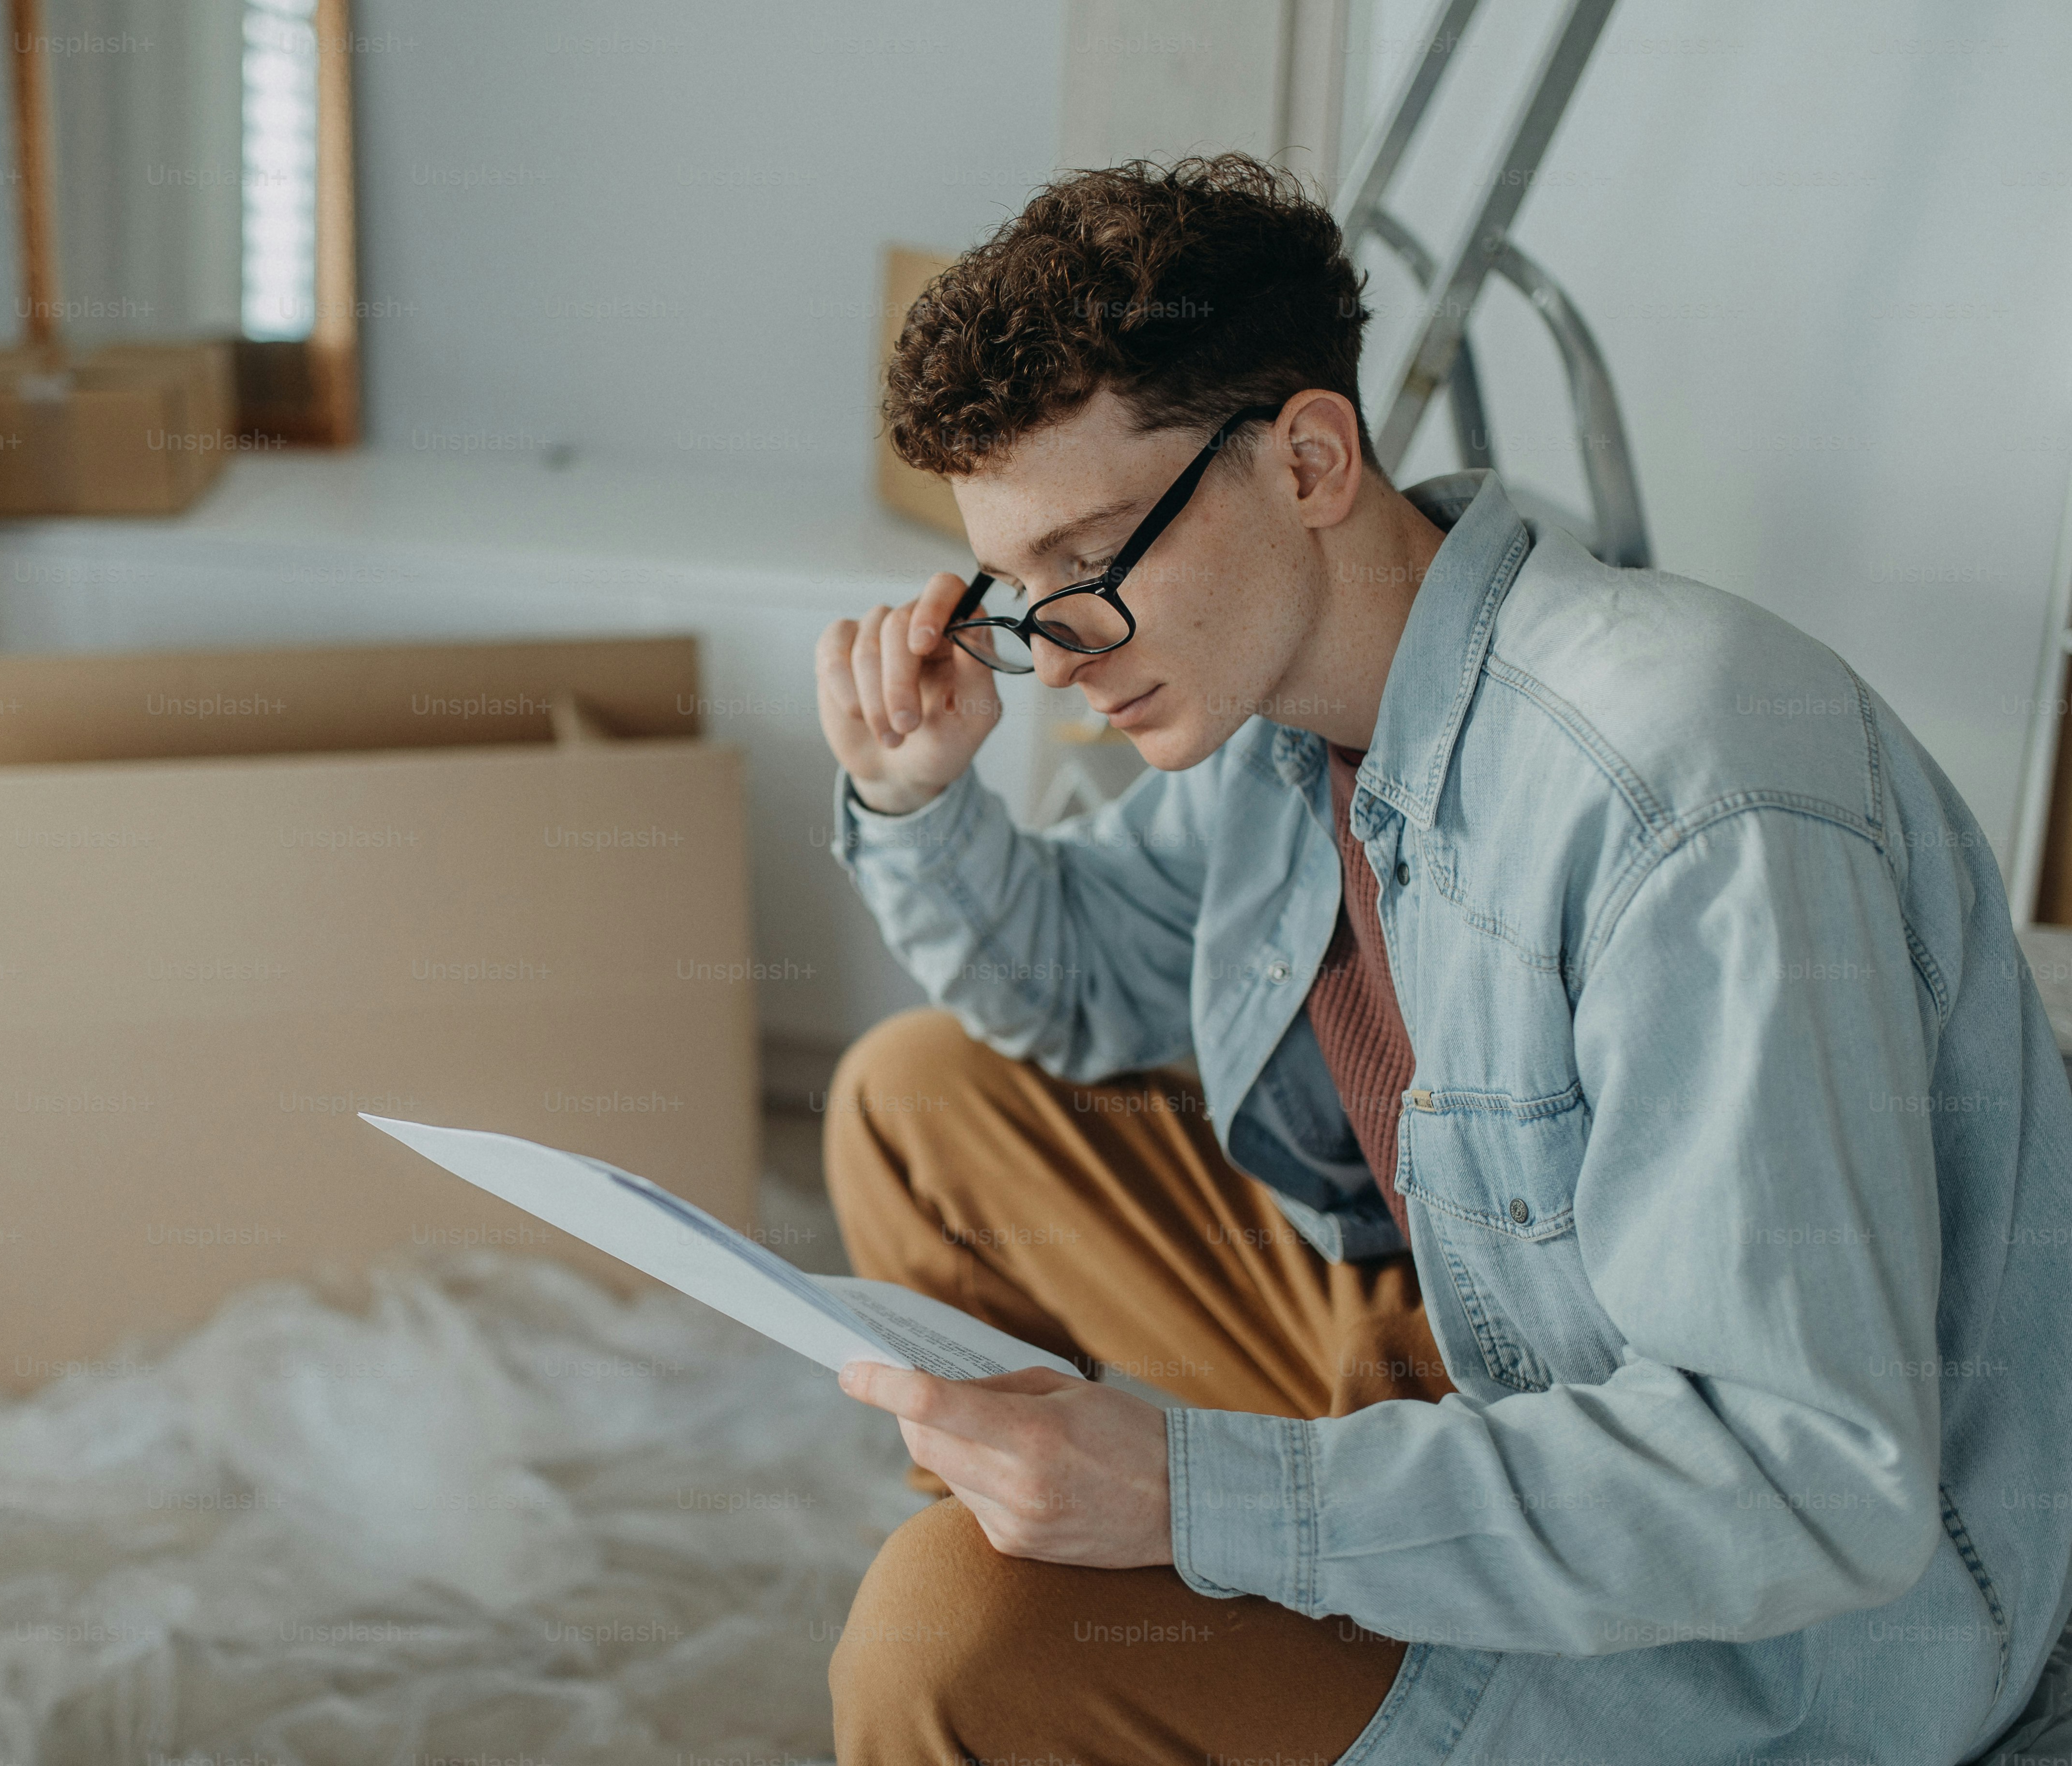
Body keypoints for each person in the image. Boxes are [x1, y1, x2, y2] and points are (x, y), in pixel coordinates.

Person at [811, 155, 2072, 1765]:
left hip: (1780, 1634)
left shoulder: (1687, 796)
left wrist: (1205, 1494)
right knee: (918, 1103)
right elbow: (1077, 983)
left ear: (1310, 460)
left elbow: (1802, 1481)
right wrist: (911, 798)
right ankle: (1101, 1611)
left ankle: (1090, 1665)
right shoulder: (1278, 705)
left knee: (943, 1636)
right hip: (1474, 1345)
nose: (1055, 656)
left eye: (1093, 562)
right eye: (1017, 589)